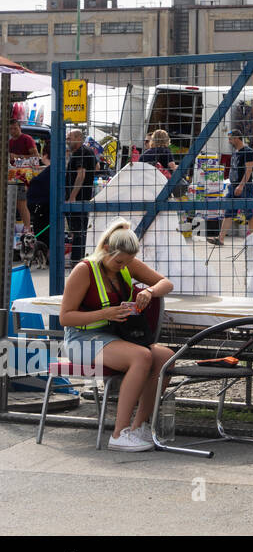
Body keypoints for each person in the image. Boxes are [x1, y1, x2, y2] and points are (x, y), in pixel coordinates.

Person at [59, 219, 174, 451]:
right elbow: (66, 317)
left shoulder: (126, 262)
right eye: (120, 261)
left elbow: (166, 283)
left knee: (165, 357)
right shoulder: (84, 270)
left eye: (129, 261)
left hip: (114, 337)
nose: (125, 266)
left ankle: (139, 427)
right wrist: (105, 313)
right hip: (81, 341)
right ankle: (119, 434)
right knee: (141, 357)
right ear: (105, 250)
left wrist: (149, 291)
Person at [212, 130, 253, 246]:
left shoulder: (248, 152)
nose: (229, 141)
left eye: (230, 138)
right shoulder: (236, 152)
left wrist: (241, 185)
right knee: (229, 212)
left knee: (249, 213)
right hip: (233, 186)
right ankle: (220, 239)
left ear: (237, 138)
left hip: (245, 187)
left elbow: (249, 170)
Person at [66, 127, 98, 263]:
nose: (67, 140)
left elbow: (81, 175)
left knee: (77, 231)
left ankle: (77, 261)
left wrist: (72, 196)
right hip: (84, 196)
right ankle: (82, 259)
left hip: (78, 199)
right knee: (81, 229)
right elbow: (97, 167)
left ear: (79, 138)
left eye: (69, 137)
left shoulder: (80, 152)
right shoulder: (88, 151)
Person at [8, 118, 40, 240]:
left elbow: (36, 156)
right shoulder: (10, 142)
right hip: (12, 176)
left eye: (15, 128)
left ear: (20, 128)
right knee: (13, 203)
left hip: (24, 177)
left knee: (21, 204)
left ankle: (27, 230)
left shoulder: (27, 139)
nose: (13, 131)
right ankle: (16, 229)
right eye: (11, 129)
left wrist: (18, 157)